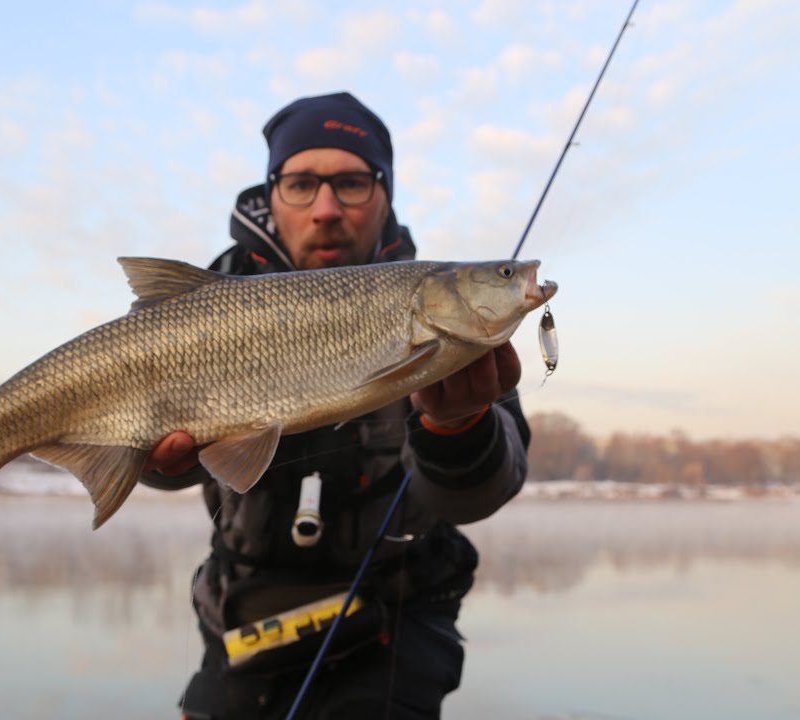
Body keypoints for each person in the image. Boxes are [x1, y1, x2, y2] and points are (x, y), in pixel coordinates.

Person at [141, 91, 531, 720]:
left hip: (393, 632)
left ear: (385, 193)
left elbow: (484, 492)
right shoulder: (205, 301)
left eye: (351, 182)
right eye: (301, 183)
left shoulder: (442, 308)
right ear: (270, 194)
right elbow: (171, 463)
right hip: (240, 628)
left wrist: (456, 425)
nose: (326, 208)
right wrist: (155, 459)